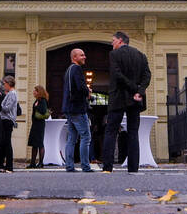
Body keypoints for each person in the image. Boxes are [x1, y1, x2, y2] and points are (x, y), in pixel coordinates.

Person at [102, 30, 152, 173]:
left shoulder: (114, 55)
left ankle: (107, 167)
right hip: (135, 99)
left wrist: (134, 89)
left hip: (118, 97)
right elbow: (147, 76)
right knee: (133, 132)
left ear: (120, 40)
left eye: (113, 41)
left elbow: (117, 75)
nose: (112, 44)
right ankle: (133, 167)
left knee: (111, 131)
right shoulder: (141, 55)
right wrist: (139, 91)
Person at [62, 48, 93, 172]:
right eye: (82, 55)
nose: (84, 57)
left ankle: (69, 165)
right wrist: (88, 91)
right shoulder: (77, 69)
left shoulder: (68, 70)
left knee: (72, 138)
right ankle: (85, 165)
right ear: (74, 57)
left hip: (69, 108)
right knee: (86, 137)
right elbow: (80, 87)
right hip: (77, 108)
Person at [0, 75, 19, 172]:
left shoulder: (12, 94)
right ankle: (2, 165)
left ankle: (9, 166)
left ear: (9, 84)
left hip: (7, 120)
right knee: (3, 142)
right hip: (6, 119)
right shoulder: (11, 93)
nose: (4, 86)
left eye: (5, 83)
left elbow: (7, 108)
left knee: (6, 143)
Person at [26, 85, 49, 168]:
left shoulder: (42, 101)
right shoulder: (37, 100)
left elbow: (43, 111)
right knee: (34, 144)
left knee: (39, 143)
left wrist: (36, 107)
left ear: (39, 92)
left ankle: (41, 163)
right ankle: (32, 163)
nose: (33, 92)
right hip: (35, 124)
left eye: (35, 91)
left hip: (39, 125)